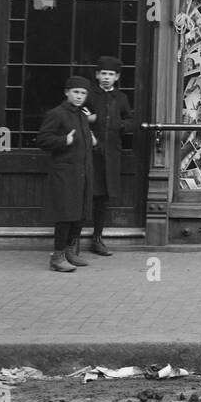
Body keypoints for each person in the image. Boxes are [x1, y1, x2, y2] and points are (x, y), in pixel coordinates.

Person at [37, 75, 98, 273]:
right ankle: (57, 256)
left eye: (83, 93)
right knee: (65, 215)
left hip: (83, 172)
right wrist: (64, 141)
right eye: (76, 92)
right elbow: (43, 140)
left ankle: (70, 252)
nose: (80, 96)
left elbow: (85, 140)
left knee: (79, 214)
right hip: (65, 173)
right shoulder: (57, 113)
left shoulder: (82, 115)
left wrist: (92, 142)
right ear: (67, 92)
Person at [85, 55, 133, 257]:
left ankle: (97, 238)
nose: (106, 78)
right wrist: (90, 121)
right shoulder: (88, 95)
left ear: (117, 77)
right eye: (103, 73)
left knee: (103, 198)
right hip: (90, 153)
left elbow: (130, 120)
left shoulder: (121, 98)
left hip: (111, 154)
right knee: (85, 193)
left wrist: (119, 125)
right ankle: (72, 240)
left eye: (110, 74)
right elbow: (77, 115)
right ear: (97, 75)